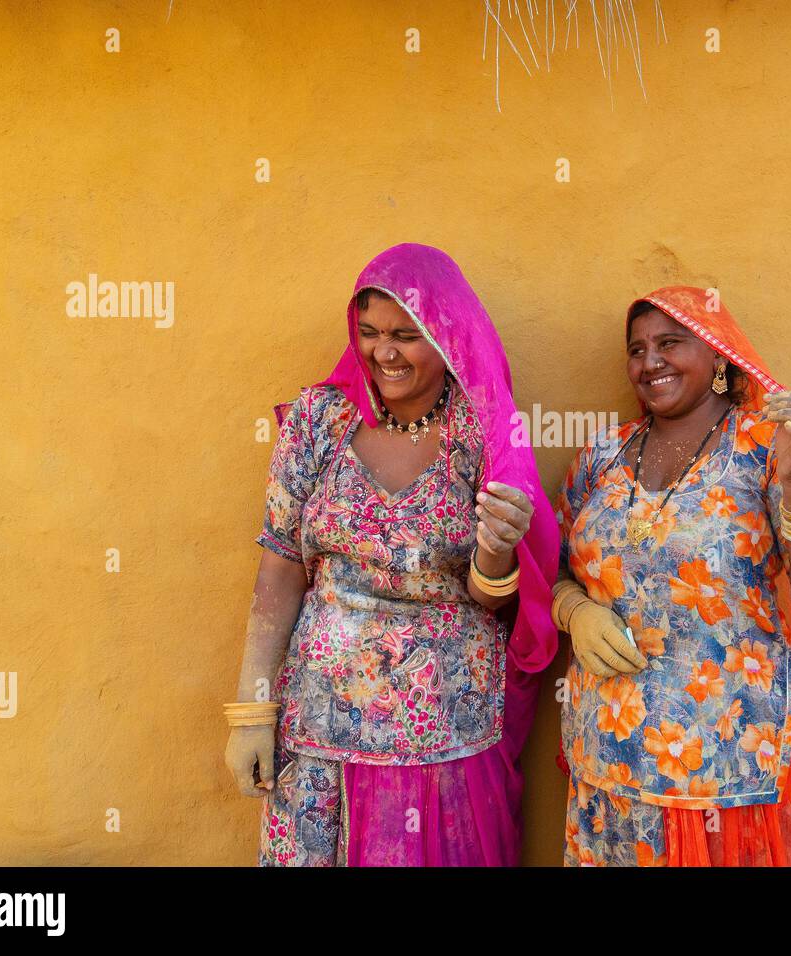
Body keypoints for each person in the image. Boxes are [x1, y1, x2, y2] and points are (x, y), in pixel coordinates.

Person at [223, 243, 558, 866]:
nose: (384, 352)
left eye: (407, 335)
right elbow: (279, 568)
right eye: (371, 332)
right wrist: (251, 712)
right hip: (319, 722)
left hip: (445, 726)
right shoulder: (318, 422)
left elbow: (494, 596)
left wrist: (495, 552)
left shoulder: (482, 430)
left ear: (449, 338)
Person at [552, 286, 791, 865]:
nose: (649, 361)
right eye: (637, 349)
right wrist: (574, 611)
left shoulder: (764, 445)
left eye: (670, 343)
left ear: (717, 357)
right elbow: (556, 567)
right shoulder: (603, 454)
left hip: (724, 764)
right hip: (605, 754)